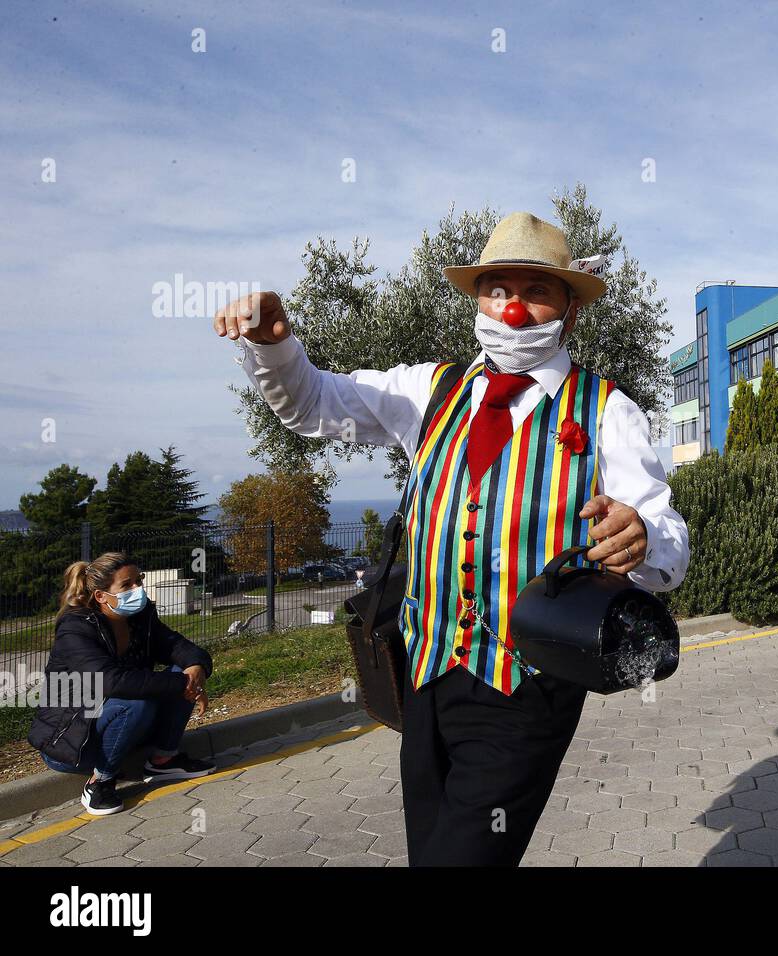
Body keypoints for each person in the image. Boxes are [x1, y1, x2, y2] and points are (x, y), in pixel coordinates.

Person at [220, 211, 689, 866]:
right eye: (497, 289)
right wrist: (275, 346)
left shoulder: (608, 411)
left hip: (528, 688)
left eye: (535, 290)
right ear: (477, 299)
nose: (514, 308)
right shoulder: (429, 391)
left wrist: (642, 538)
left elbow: (669, 537)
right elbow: (313, 406)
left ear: (570, 311)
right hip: (426, 674)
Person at [28, 553, 215, 816]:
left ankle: (163, 759)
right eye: (127, 585)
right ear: (101, 596)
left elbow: (179, 647)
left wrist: (196, 670)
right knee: (139, 700)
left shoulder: (140, 617)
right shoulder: (75, 628)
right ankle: (100, 782)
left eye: (139, 581)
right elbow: (110, 682)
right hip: (73, 740)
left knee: (180, 672)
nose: (138, 589)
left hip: (117, 723)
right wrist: (183, 684)